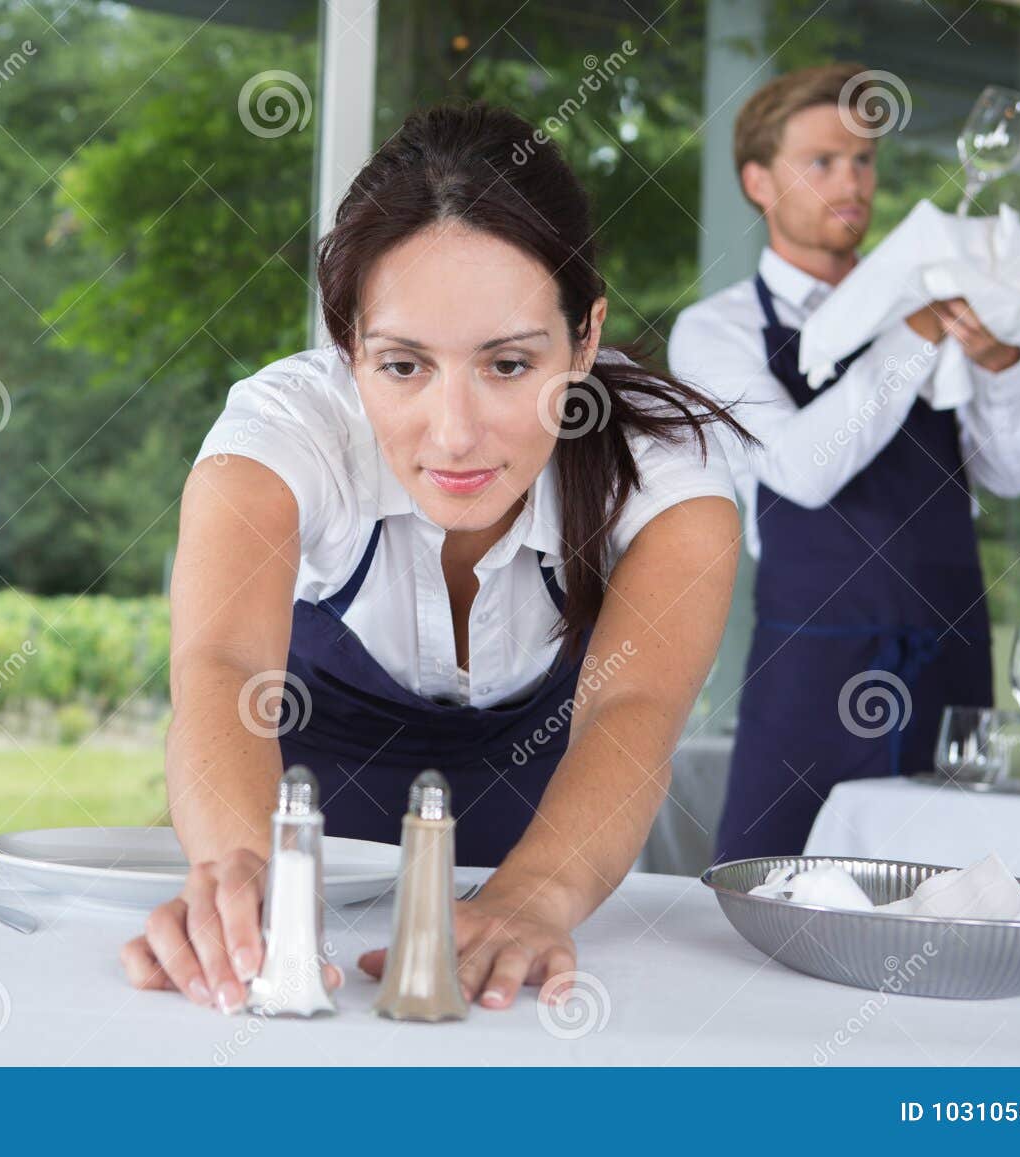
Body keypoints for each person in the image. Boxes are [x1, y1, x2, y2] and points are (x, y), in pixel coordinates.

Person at [120, 103, 751, 1013]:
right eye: (404, 365)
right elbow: (224, 665)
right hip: (297, 867)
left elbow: (634, 707)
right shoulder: (280, 437)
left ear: (584, 337)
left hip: (550, 874)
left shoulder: (667, 478)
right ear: (347, 346)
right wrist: (237, 867)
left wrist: (534, 897)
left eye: (507, 365)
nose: (455, 435)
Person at [667, 63, 1020, 862]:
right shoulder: (716, 331)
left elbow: (1012, 474)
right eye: (823, 161)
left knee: (952, 905)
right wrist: (913, 334)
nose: (853, 181)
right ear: (759, 181)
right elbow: (803, 468)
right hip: (810, 676)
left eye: (864, 161)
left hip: (952, 667)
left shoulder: (934, 302)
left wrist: (1003, 362)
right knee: (766, 902)